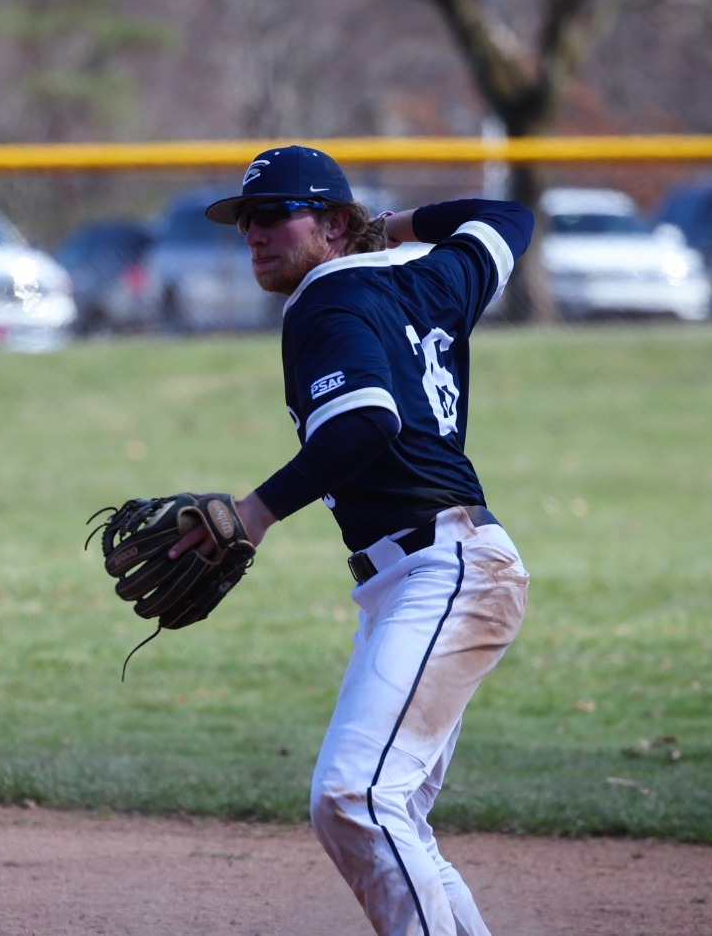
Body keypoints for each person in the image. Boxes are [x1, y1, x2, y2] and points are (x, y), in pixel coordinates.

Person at [170, 145, 535, 936]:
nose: (254, 235)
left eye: (275, 215)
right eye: (245, 221)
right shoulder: (427, 278)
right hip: (436, 572)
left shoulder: (325, 302)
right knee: (390, 812)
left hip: (444, 570)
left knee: (356, 798)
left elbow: (369, 421)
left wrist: (255, 513)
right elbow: (508, 219)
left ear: (333, 225)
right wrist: (393, 228)